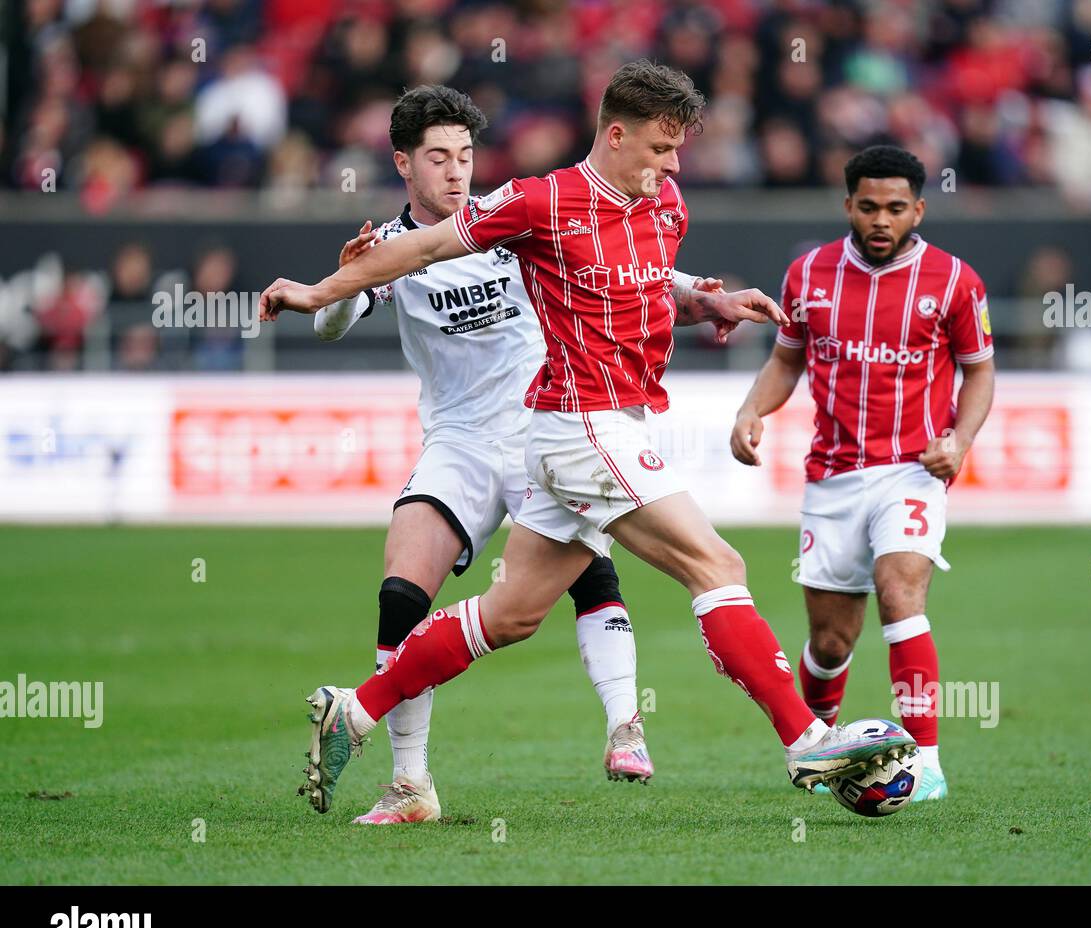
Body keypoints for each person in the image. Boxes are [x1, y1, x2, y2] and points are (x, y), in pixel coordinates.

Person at [261, 60, 917, 817]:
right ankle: (806, 741)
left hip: (607, 424)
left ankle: (358, 708)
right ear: (615, 134)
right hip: (578, 425)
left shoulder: (664, 204)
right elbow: (417, 250)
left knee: (509, 614)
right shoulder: (539, 202)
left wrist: (709, 301)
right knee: (718, 562)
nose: (673, 167)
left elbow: (645, 287)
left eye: (677, 152)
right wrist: (317, 291)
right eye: (660, 149)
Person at [309, 84, 720, 822]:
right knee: (402, 589)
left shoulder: (510, 217)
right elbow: (335, 326)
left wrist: (702, 293)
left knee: (588, 572)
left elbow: (628, 261)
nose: (456, 171)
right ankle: (410, 785)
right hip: (460, 442)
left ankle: (626, 725)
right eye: (437, 158)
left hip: (544, 425)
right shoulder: (395, 252)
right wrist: (334, 287)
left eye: (465, 155)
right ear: (404, 164)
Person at [730, 145, 996, 802]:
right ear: (849, 204)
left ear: (919, 209)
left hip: (912, 471)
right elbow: (786, 361)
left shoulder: (955, 281)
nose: (882, 220)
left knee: (901, 593)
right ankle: (821, 749)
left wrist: (958, 441)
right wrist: (750, 411)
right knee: (829, 640)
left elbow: (980, 371)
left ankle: (926, 760)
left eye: (897, 209)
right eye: (870, 206)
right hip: (833, 476)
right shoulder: (808, 274)